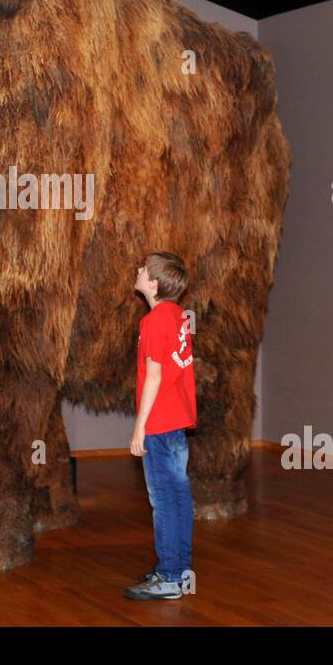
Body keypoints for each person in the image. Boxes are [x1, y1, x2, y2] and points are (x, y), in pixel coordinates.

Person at [123, 252, 196, 600]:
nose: (138, 271)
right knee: (179, 496)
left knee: (164, 500)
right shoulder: (177, 314)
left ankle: (169, 577)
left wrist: (140, 427)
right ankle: (179, 570)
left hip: (160, 422)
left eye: (143, 269)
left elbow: (153, 376)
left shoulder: (152, 322)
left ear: (152, 284)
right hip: (178, 420)